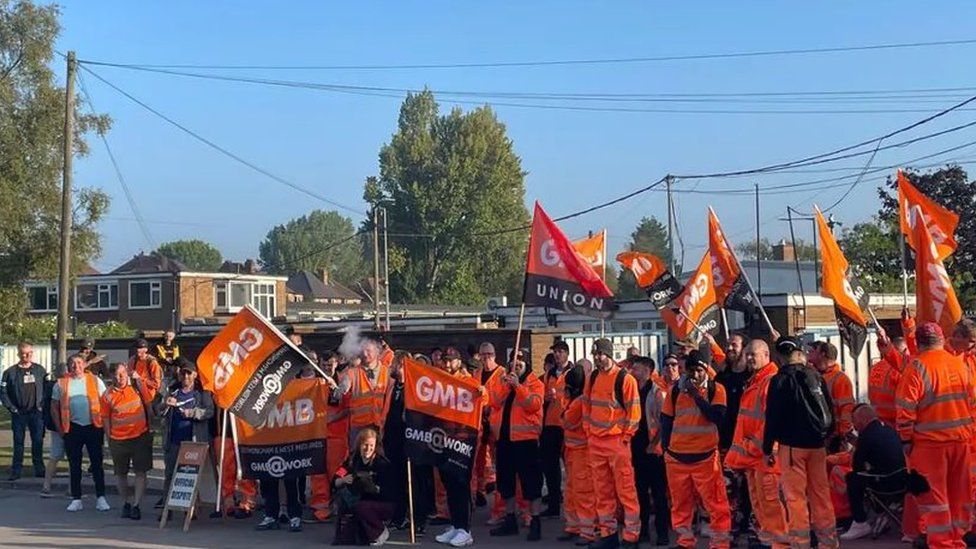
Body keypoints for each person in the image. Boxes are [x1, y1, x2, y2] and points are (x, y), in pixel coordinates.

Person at [895, 322, 976, 548]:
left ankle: (942, 543)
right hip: (961, 442)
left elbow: (904, 410)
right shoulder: (961, 364)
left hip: (930, 446)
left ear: (919, 343)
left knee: (935, 499)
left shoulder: (917, 367)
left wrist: (905, 439)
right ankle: (957, 539)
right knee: (959, 497)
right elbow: (971, 402)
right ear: (942, 340)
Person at [763, 336, 838, 549]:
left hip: (792, 447)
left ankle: (800, 543)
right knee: (821, 496)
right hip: (817, 445)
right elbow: (830, 410)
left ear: (780, 356)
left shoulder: (780, 380)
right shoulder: (815, 376)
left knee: (795, 499)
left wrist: (767, 447)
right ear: (799, 352)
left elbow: (773, 417)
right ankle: (828, 543)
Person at [661, 349, 732, 549]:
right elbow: (666, 420)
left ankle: (719, 544)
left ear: (706, 370)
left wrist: (697, 397)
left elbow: (717, 417)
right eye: (691, 370)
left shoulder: (716, 389)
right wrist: (667, 450)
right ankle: (685, 542)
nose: (695, 374)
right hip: (677, 459)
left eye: (700, 370)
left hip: (705, 458)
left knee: (716, 505)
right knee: (680, 506)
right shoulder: (676, 391)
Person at [725, 340, 787, 549]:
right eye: (748, 354)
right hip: (754, 461)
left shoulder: (769, 381)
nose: (750, 358)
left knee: (773, 511)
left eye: (754, 354)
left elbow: (773, 421)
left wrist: (754, 447)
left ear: (766, 355)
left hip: (766, 459)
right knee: (762, 510)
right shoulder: (755, 381)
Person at [583, 338, 641, 549]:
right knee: (602, 491)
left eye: (600, 354)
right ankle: (608, 534)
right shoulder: (593, 377)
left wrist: (625, 438)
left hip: (617, 442)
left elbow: (634, 413)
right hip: (597, 442)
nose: (597, 358)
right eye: (595, 354)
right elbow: (587, 407)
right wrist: (590, 433)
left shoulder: (625, 379)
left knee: (626, 491)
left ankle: (631, 536)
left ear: (609, 354)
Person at [487, 348, 545, 541]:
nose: (516, 364)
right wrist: (506, 385)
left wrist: (518, 386)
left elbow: (533, 405)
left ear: (526, 363)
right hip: (504, 441)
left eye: (520, 361)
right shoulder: (503, 381)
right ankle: (510, 520)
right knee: (506, 483)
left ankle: (535, 521)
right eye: (513, 361)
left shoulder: (535, 383)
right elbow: (494, 401)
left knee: (531, 484)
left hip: (526, 442)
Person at [839, 404, 908, 541]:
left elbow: (857, 466)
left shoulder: (867, 436)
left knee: (853, 478)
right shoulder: (888, 429)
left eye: (854, 421)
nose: (854, 426)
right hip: (902, 480)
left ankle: (860, 521)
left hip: (884, 484)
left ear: (863, 420)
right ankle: (883, 513)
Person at [51, 354, 109, 512]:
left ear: (84, 365)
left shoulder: (95, 380)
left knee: (97, 463)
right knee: (74, 464)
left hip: (93, 426)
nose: (76, 366)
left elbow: (106, 401)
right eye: (72, 363)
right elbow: (54, 407)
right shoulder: (61, 383)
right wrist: (60, 428)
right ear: (69, 366)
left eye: (78, 363)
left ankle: (101, 497)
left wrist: (106, 424)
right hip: (72, 428)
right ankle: (76, 498)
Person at [155, 360, 214, 510]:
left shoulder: (202, 392)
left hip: (194, 442)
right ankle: (166, 509)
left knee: (190, 475)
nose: (186, 376)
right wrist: (166, 404)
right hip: (174, 440)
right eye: (183, 373)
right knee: (170, 475)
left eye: (189, 373)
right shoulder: (173, 390)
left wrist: (193, 413)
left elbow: (209, 411)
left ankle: (191, 508)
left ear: (195, 374)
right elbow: (159, 411)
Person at [100, 362, 154, 520]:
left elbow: (149, 405)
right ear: (111, 376)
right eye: (116, 375)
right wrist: (109, 437)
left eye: (122, 373)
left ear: (127, 373)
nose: (120, 377)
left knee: (140, 472)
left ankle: (136, 505)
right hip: (118, 440)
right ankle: (126, 503)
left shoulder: (137, 387)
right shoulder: (108, 395)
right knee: (121, 474)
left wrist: (151, 425)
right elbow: (105, 419)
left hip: (140, 436)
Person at [332, 427, 394, 545]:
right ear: (359, 444)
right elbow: (337, 476)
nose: (368, 449)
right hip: (358, 500)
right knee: (347, 539)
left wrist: (375, 488)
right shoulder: (351, 460)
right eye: (365, 445)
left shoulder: (382, 463)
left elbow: (390, 490)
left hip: (382, 503)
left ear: (376, 446)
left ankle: (380, 531)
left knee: (360, 506)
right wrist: (342, 480)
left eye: (371, 445)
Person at [558, 363, 594, 544]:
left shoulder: (579, 401)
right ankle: (573, 526)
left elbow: (567, 421)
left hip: (582, 452)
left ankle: (588, 531)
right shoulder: (576, 400)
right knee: (571, 491)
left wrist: (565, 400)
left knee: (583, 492)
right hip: (572, 451)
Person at [644, 353, 678, 546]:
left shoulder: (683, 387)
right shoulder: (657, 387)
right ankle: (661, 530)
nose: (671, 368)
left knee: (675, 491)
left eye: (674, 364)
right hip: (658, 449)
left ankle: (677, 525)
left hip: (678, 447)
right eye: (667, 365)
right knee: (659, 492)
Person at [1, 342, 47, 481]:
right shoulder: (9, 373)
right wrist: (12, 408)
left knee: (38, 441)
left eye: (29, 353)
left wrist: (42, 405)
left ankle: (39, 469)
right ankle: (16, 470)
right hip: (19, 413)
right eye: (24, 353)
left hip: (36, 412)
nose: (27, 356)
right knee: (18, 442)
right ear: (18, 354)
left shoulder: (39, 370)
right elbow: (3, 393)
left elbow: (46, 389)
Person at [540, 341, 572, 518]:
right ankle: (553, 505)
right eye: (555, 352)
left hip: (568, 425)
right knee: (550, 468)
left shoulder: (575, 372)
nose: (557, 355)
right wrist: (547, 397)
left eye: (560, 352)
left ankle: (571, 508)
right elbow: (542, 400)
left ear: (567, 353)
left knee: (571, 468)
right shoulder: (548, 375)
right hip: (551, 425)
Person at [472, 342, 505, 512]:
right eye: (483, 354)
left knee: (499, 463)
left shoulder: (502, 373)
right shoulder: (476, 374)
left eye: (489, 354)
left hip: (496, 424)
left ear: (494, 354)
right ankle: (479, 491)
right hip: (479, 423)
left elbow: (503, 398)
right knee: (477, 460)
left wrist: (489, 406)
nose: (486, 358)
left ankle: (500, 507)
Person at [627, 356, 655, 543]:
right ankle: (643, 529)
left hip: (654, 449)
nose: (632, 372)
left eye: (635, 369)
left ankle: (661, 533)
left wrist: (656, 443)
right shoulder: (631, 389)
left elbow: (663, 421)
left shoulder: (656, 392)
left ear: (646, 370)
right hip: (636, 447)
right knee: (640, 491)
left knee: (658, 492)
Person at [808, 340, 855, 448]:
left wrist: (842, 435)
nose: (809, 353)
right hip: (817, 436)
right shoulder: (813, 375)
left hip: (833, 438)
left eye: (813, 350)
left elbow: (847, 409)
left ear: (823, 354)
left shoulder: (840, 379)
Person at [346, 340, 390, 447]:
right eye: (362, 351)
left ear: (377, 352)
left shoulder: (387, 372)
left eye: (368, 351)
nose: (365, 354)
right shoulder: (352, 373)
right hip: (359, 426)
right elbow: (343, 387)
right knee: (357, 457)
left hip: (381, 424)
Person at [869, 328, 909, 427]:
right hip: (894, 421)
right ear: (904, 350)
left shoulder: (875, 368)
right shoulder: (900, 371)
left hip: (877, 419)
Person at [40, 361, 66, 498]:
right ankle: (71, 488)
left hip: (57, 426)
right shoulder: (61, 386)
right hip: (64, 426)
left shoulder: (51, 385)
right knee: (72, 458)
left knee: (54, 456)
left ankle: (46, 485)